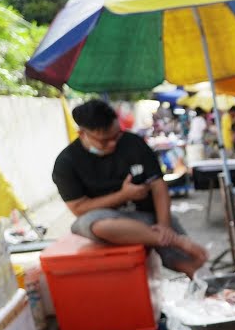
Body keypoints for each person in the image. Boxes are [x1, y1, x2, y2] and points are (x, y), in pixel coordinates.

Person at [52, 100, 208, 277]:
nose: (112, 143)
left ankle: (208, 286)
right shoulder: (66, 163)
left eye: (116, 135)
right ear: (82, 134)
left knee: (194, 263)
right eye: (104, 141)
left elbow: (158, 186)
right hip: (110, 221)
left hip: (149, 217)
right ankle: (173, 241)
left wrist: (164, 225)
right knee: (90, 225)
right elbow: (79, 208)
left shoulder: (133, 143)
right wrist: (122, 195)